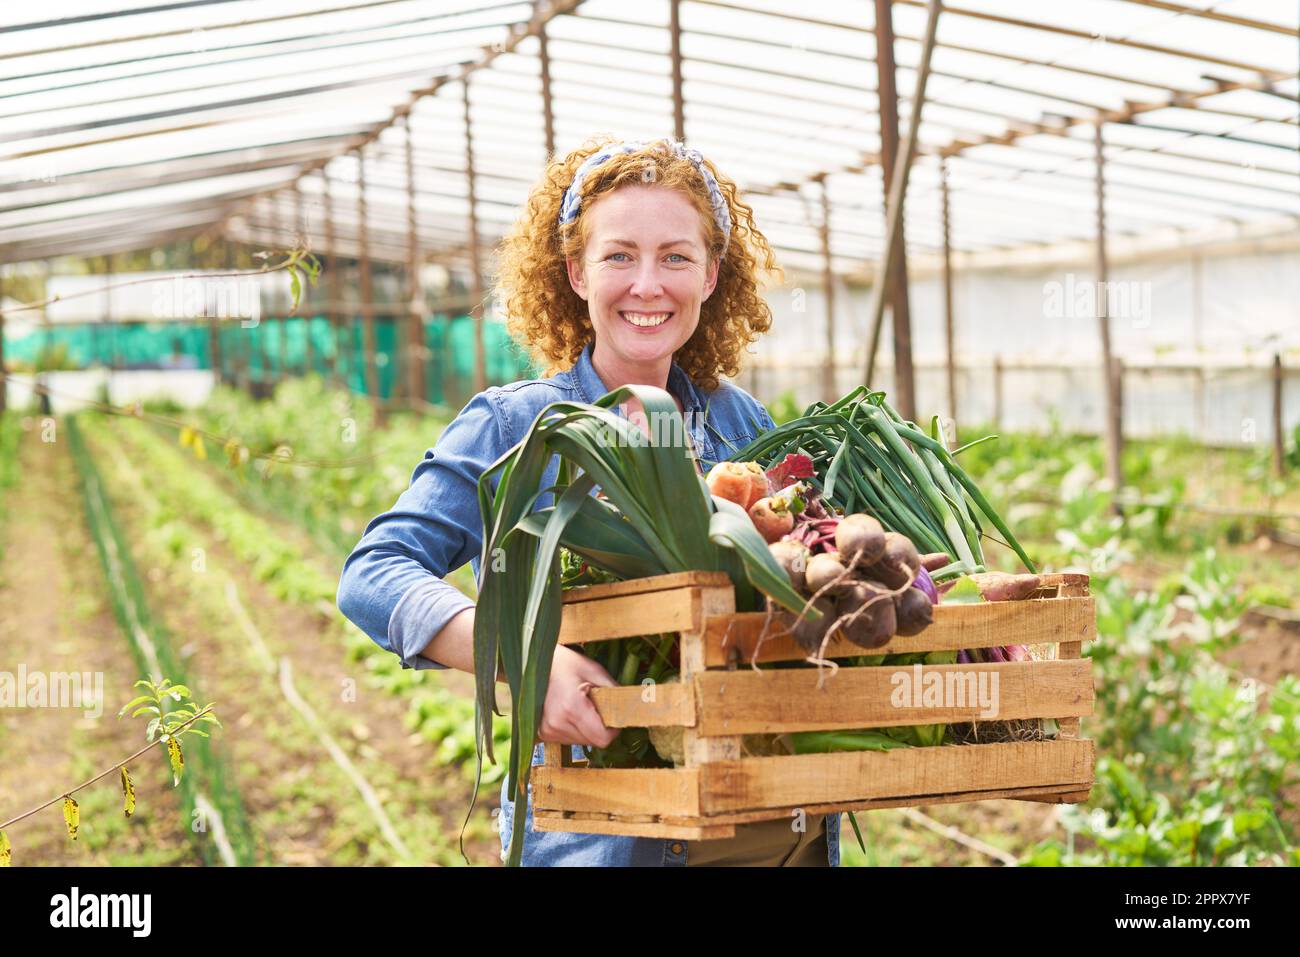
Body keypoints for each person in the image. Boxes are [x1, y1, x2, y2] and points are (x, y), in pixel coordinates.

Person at [337, 136, 840, 867]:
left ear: (710, 276)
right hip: (601, 836)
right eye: (618, 256)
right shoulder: (519, 426)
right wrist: (523, 659)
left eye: (675, 256)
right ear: (575, 272)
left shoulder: (743, 427)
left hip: (765, 823)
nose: (647, 284)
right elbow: (375, 570)